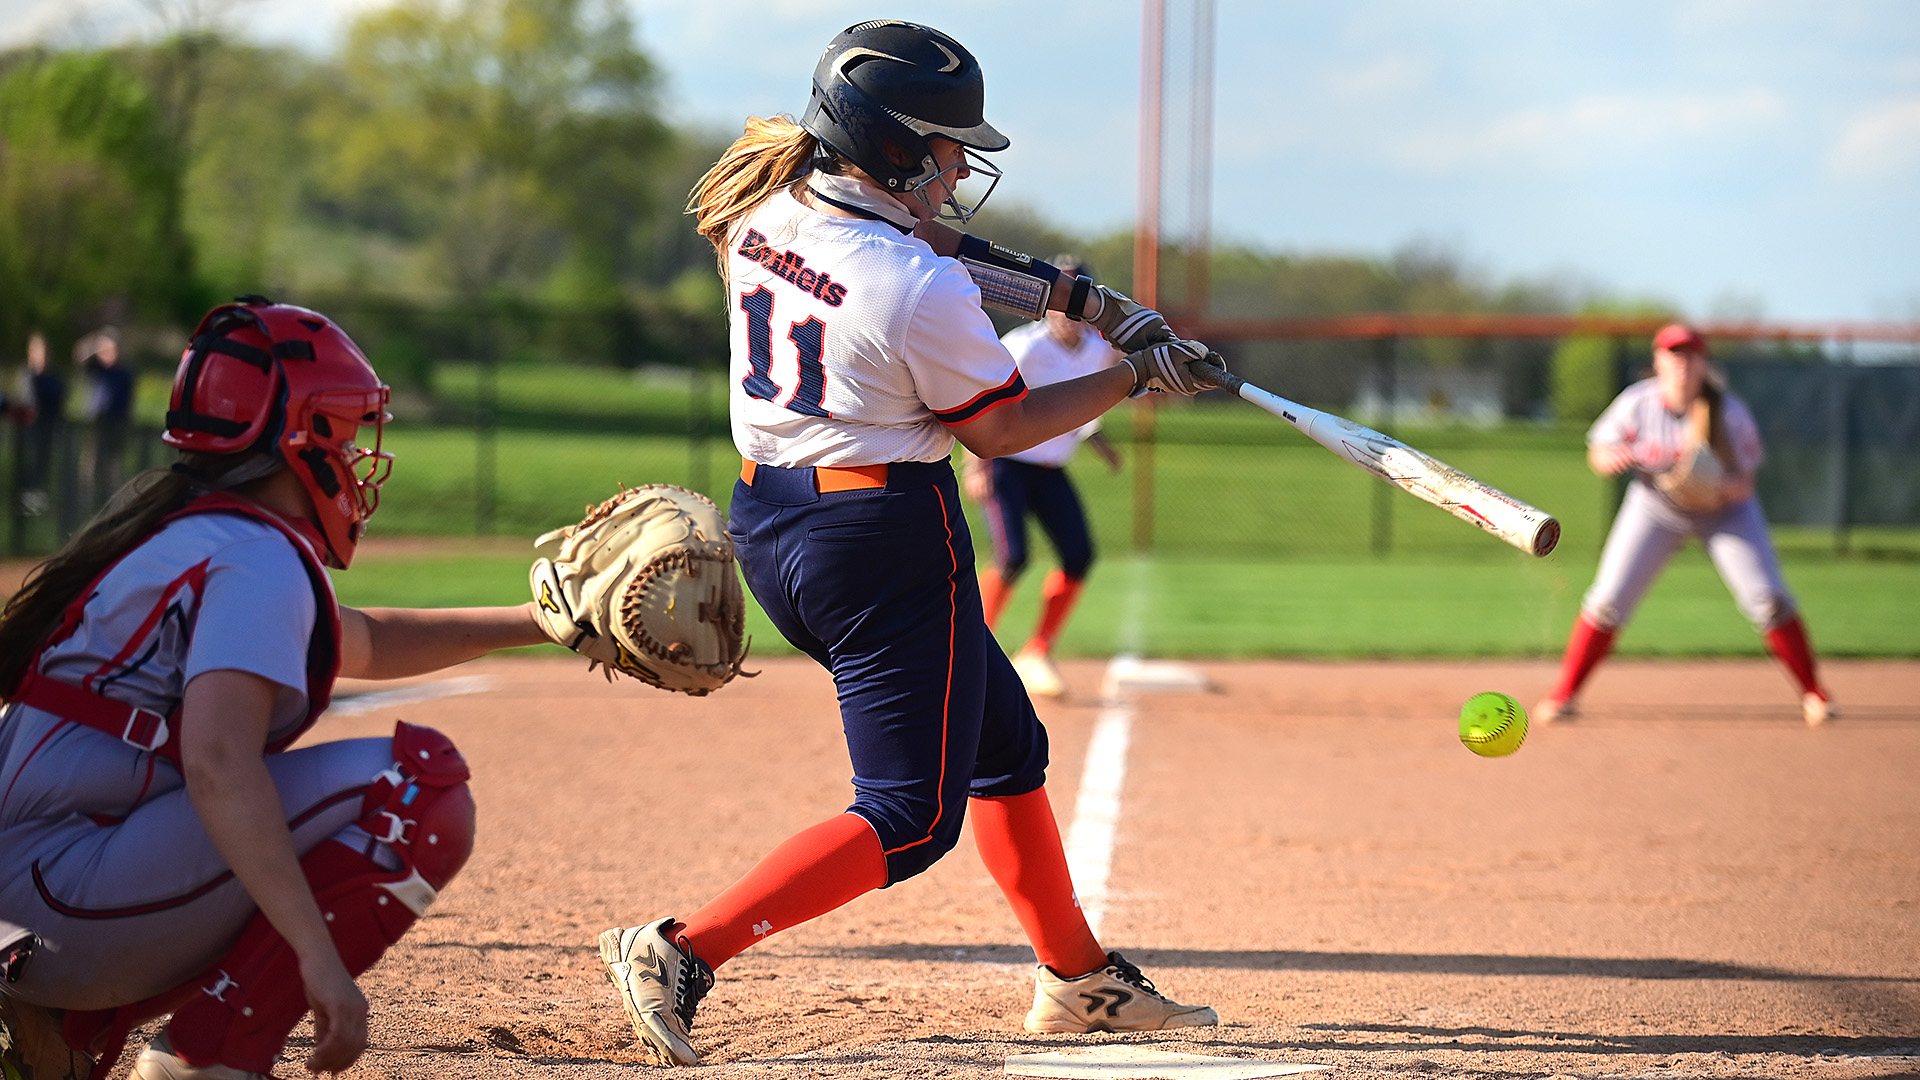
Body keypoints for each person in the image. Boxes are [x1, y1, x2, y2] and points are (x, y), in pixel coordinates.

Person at [595, 20, 1220, 1068]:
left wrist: (1081, 302)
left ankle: (1077, 979)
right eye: (943, 146)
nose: (959, 165)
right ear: (889, 147)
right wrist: (1136, 373)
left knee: (1006, 746)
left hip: (775, 524)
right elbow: (1004, 427)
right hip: (882, 539)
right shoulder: (914, 285)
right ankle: (681, 949)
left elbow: (924, 248)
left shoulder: (765, 206)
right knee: (909, 817)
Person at [0, 299, 551, 1080]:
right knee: (415, 789)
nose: (359, 454)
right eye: (347, 428)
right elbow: (219, 764)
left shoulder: (197, 529)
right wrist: (317, 960)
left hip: (32, 893)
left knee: (288, 833)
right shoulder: (255, 553)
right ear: (300, 436)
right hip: (54, 897)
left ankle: (69, 1026)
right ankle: (206, 1056)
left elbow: (363, 639)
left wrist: (542, 619)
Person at [1535, 323, 1834, 727]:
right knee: (1607, 600)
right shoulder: (1637, 403)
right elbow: (1599, 451)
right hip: (1655, 506)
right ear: (1658, 361)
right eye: (1673, 354)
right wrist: (1611, 459)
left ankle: (1815, 693)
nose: (1682, 364)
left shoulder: (1727, 411)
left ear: (1703, 363)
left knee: (1768, 598)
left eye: (1690, 355)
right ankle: (1564, 694)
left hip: (1723, 512)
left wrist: (1715, 487)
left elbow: (1745, 485)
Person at [964, 256, 1123, 699]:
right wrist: (976, 465)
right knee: (1014, 557)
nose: (1067, 312)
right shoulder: (1025, 346)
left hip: (1051, 469)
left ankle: (1037, 650)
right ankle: (971, 648)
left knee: (1079, 555)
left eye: (1077, 301)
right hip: (1007, 464)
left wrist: (1098, 441)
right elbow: (979, 401)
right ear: (1046, 303)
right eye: (1060, 299)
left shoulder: (1095, 349)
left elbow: (1079, 403)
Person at [79, 327, 136, 506]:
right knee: (91, 462)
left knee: (113, 464)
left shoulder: (124, 372)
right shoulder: (96, 369)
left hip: (116, 422)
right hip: (96, 422)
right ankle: (87, 501)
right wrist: (95, 343)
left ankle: (113, 501)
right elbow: (80, 356)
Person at [19, 331, 66, 517]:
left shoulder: (54, 377)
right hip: (29, 430)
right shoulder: (27, 376)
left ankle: (37, 501)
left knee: (43, 464)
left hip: (48, 428)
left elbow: (59, 397)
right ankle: (25, 501)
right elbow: (29, 400)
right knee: (28, 464)